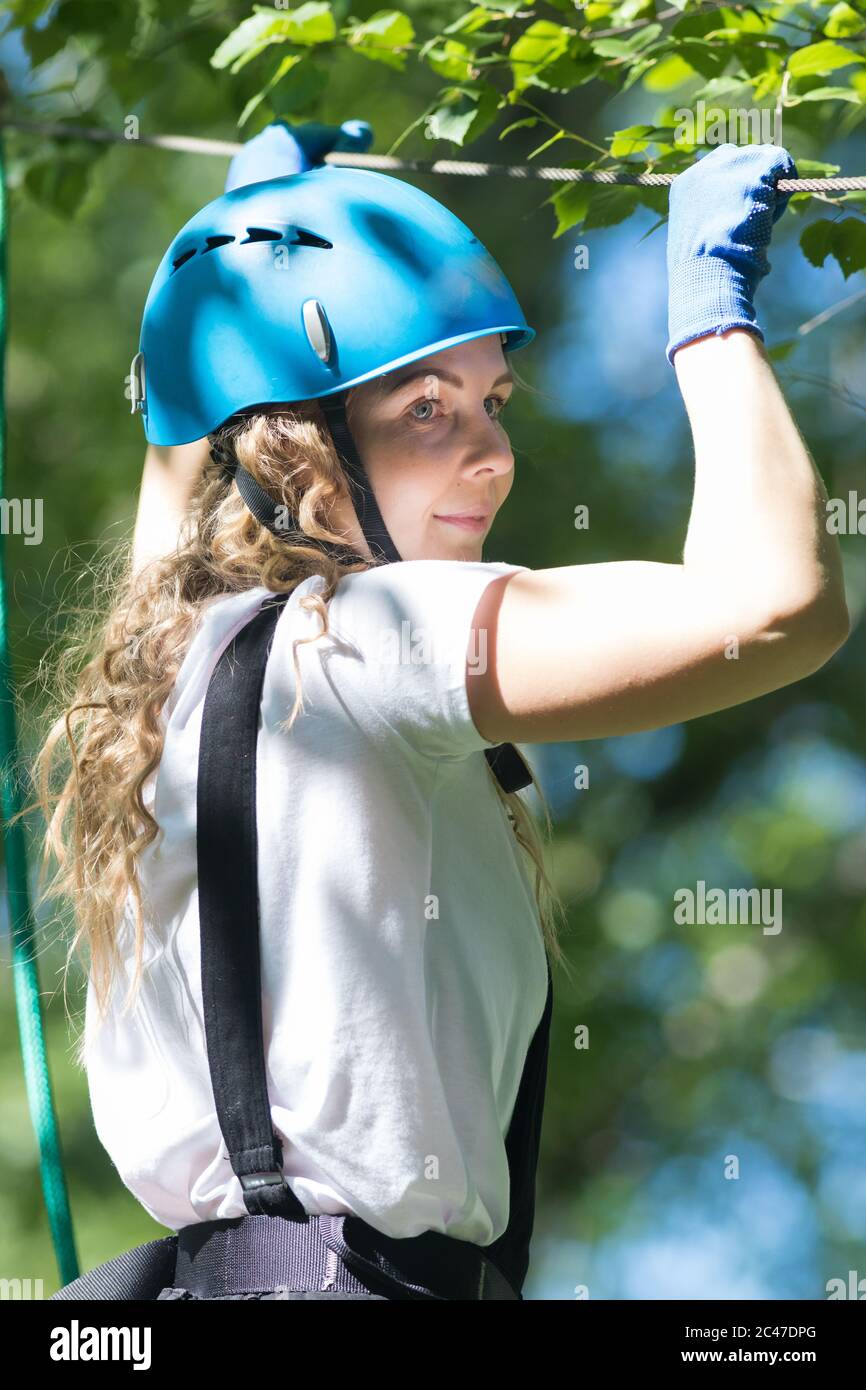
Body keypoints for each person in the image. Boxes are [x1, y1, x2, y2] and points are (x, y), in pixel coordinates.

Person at [33, 121, 849, 1301]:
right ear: (294, 442)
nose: (492, 454)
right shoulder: (362, 639)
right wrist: (711, 322)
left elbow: (184, 475)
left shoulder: (176, 671)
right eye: (426, 408)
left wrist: (227, 281)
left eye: (493, 401)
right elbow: (777, 610)